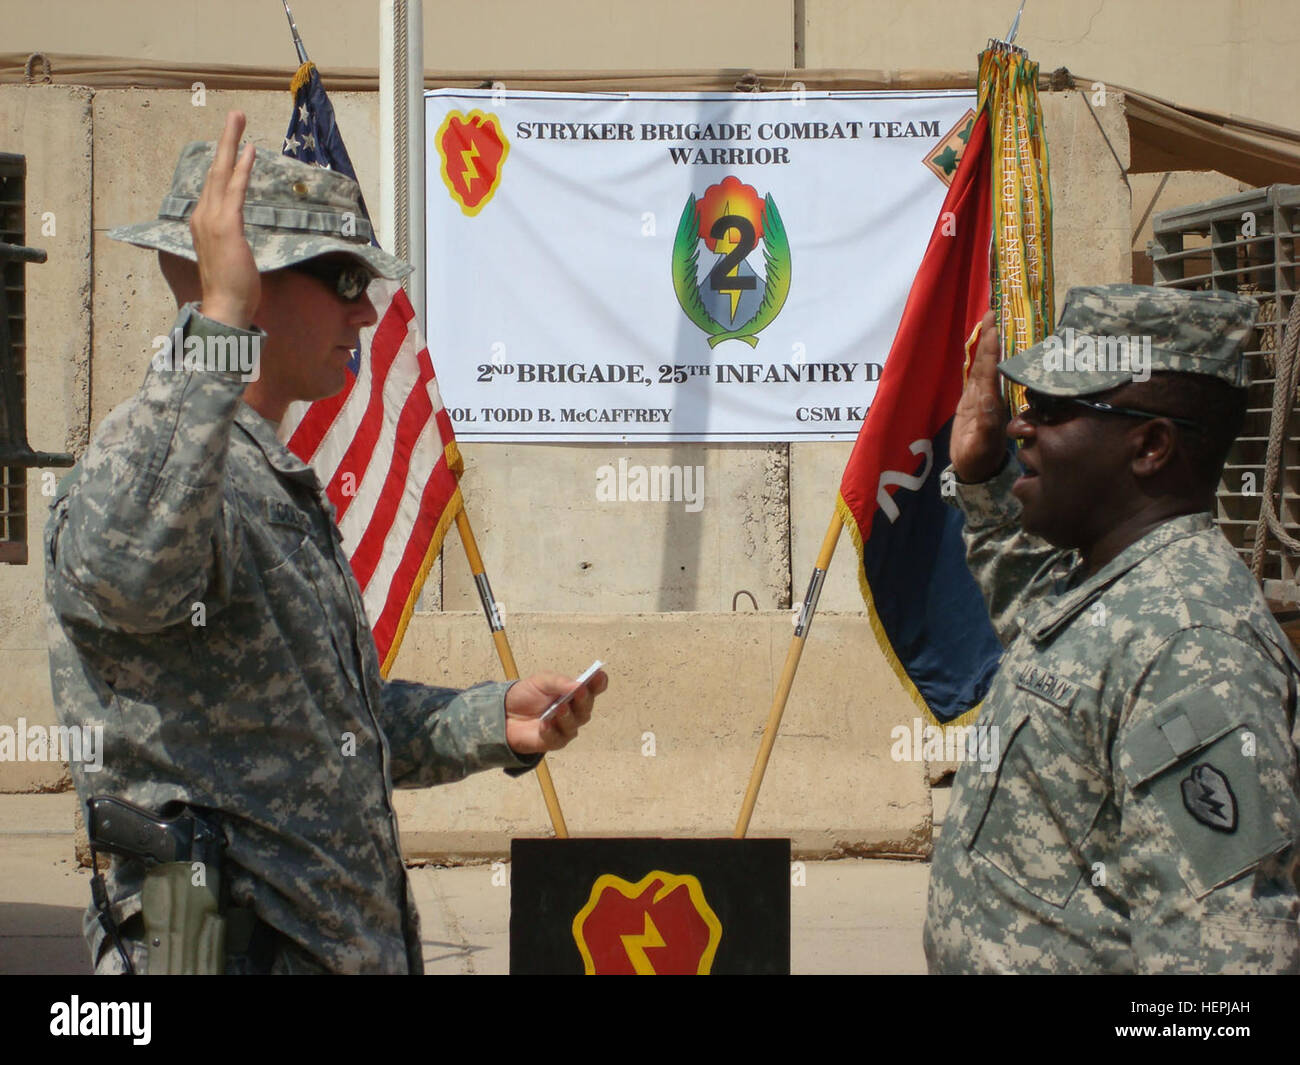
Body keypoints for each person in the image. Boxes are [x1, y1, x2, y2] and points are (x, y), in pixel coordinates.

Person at [45, 111, 606, 975]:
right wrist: (219, 323)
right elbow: (128, 576)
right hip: (212, 951)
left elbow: (337, 724)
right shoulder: (148, 465)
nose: (366, 311)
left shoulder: (268, 476)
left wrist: (490, 720)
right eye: (343, 279)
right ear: (246, 279)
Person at [925, 284, 1300, 973]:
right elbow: (1036, 614)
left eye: (1055, 408)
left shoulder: (1190, 644)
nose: (1021, 426)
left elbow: (1226, 976)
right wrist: (979, 473)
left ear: (1151, 446)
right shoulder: (1116, 583)